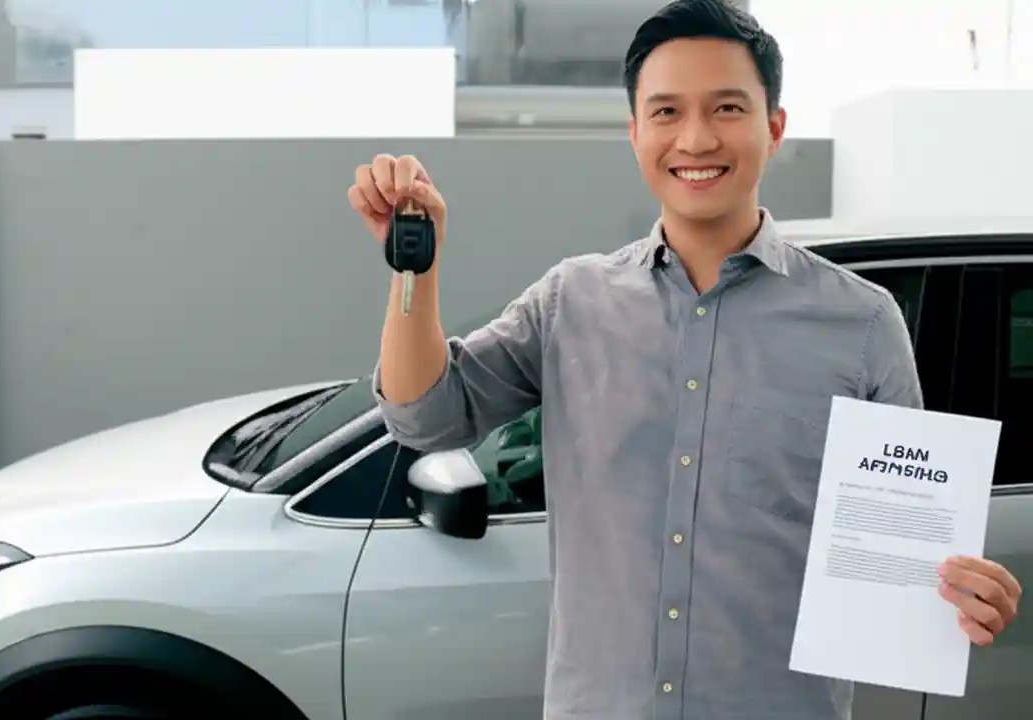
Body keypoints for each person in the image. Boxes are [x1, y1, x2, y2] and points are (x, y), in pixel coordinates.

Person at [346, 0, 1022, 718]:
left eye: (727, 107)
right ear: (635, 133)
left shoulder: (861, 323)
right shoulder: (570, 302)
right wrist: (412, 269)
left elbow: (903, 541)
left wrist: (956, 592)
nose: (695, 139)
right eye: (666, 113)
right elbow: (424, 417)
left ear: (775, 127)